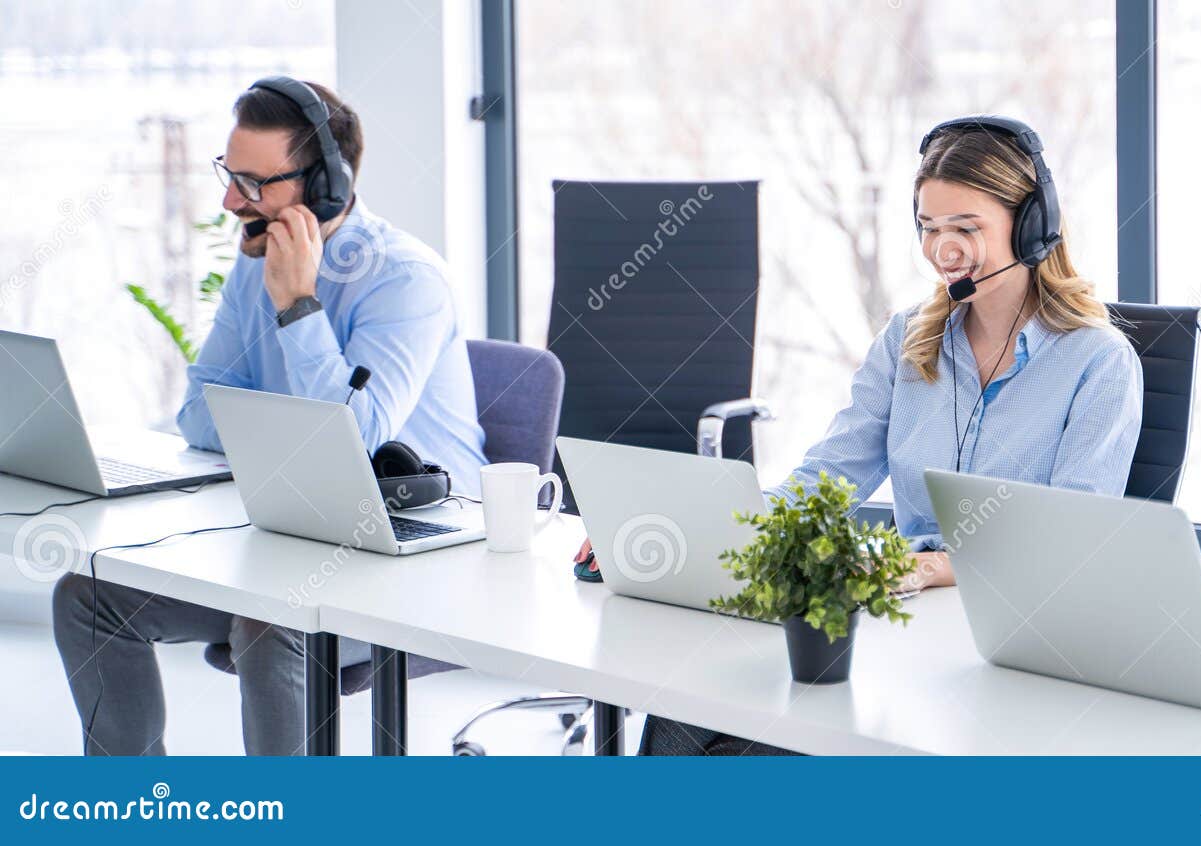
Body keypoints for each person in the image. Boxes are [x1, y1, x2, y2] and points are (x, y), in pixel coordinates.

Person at [579, 116, 1145, 754]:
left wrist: (932, 566)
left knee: (748, 750)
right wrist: (692, 530)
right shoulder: (910, 339)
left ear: (1032, 226)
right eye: (929, 227)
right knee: (683, 706)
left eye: (966, 228)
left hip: (1005, 644)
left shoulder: (1098, 362)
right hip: (899, 622)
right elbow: (829, 476)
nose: (943, 250)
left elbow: (1069, 543)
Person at [52, 78, 488, 755]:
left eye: (253, 184)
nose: (230, 202)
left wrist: (298, 308)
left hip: (419, 553)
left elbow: (356, 440)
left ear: (328, 188)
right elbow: (198, 414)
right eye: (229, 175)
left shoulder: (406, 280)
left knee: (270, 623)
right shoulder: (252, 266)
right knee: (87, 597)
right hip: (296, 534)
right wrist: (294, 438)